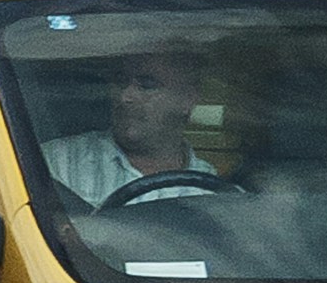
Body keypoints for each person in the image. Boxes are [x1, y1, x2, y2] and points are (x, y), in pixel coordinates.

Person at [41, 40, 211, 211]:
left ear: (186, 99)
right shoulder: (54, 163)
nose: (125, 97)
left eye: (147, 85)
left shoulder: (210, 188)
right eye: (121, 81)